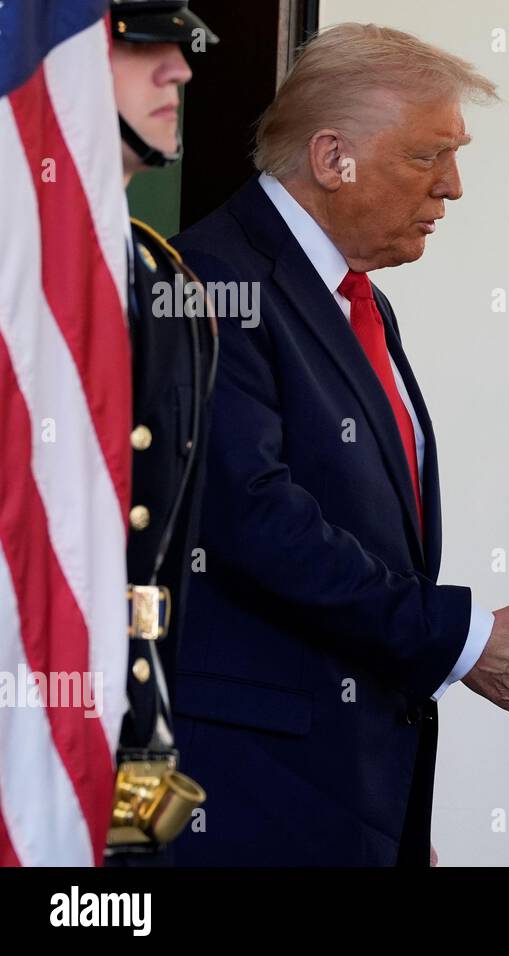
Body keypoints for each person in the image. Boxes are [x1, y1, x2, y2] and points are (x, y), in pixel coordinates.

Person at [166, 23, 509, 866]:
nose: (452, 187)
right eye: (427, 156)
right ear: (333, 157)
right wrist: (462, 637)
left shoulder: (354, 294)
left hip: (349, 795)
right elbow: (253, 518)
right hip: (251, 799)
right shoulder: (214, 283)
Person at [105, 0, 218, 860]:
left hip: (133, 750)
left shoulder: (162, 278)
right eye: (138, 44)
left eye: (178, 45)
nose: (177, 68)